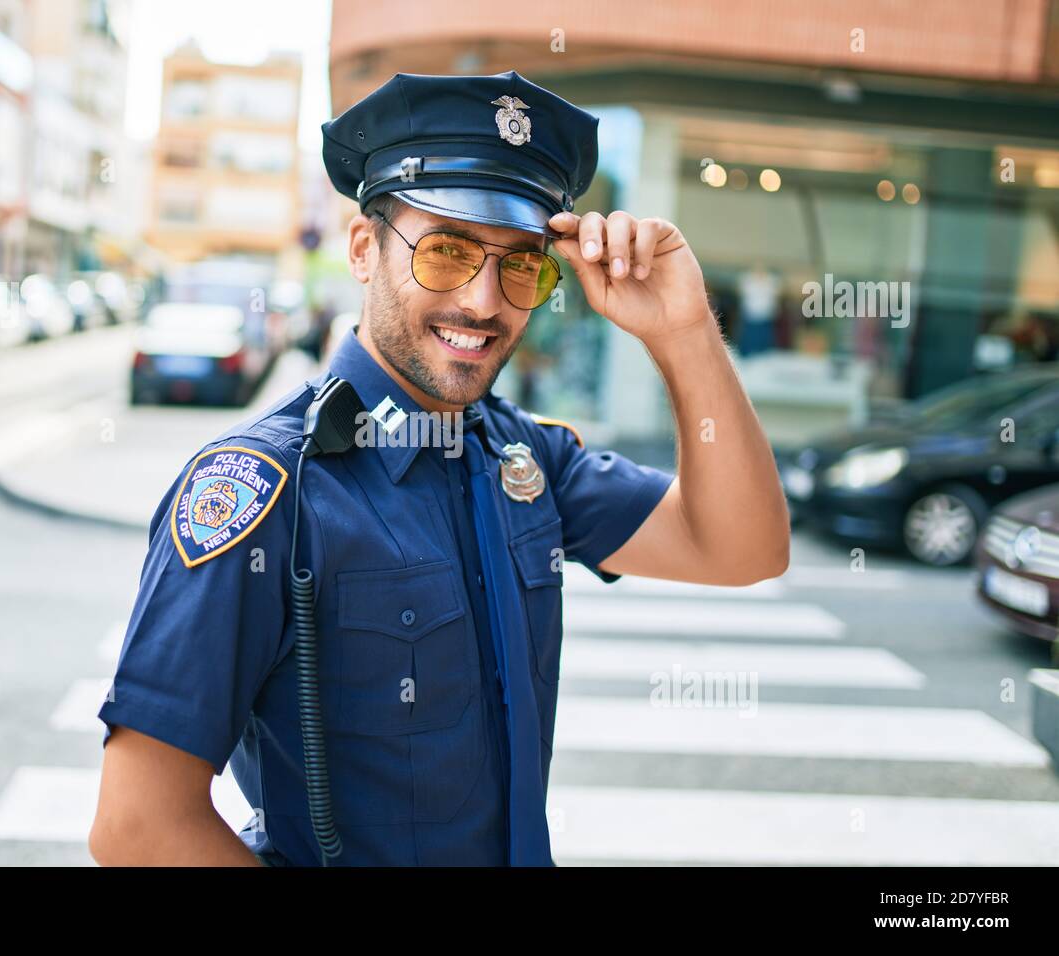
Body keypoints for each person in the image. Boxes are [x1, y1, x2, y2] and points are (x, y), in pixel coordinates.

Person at [89, 70, 790, 867]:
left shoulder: (522, 455)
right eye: (447, 253)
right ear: (363, 249)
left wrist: (685, 330)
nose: (486, 302)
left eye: (521, 265)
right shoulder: (266, 489)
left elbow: (744, 548)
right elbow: (138, 827)